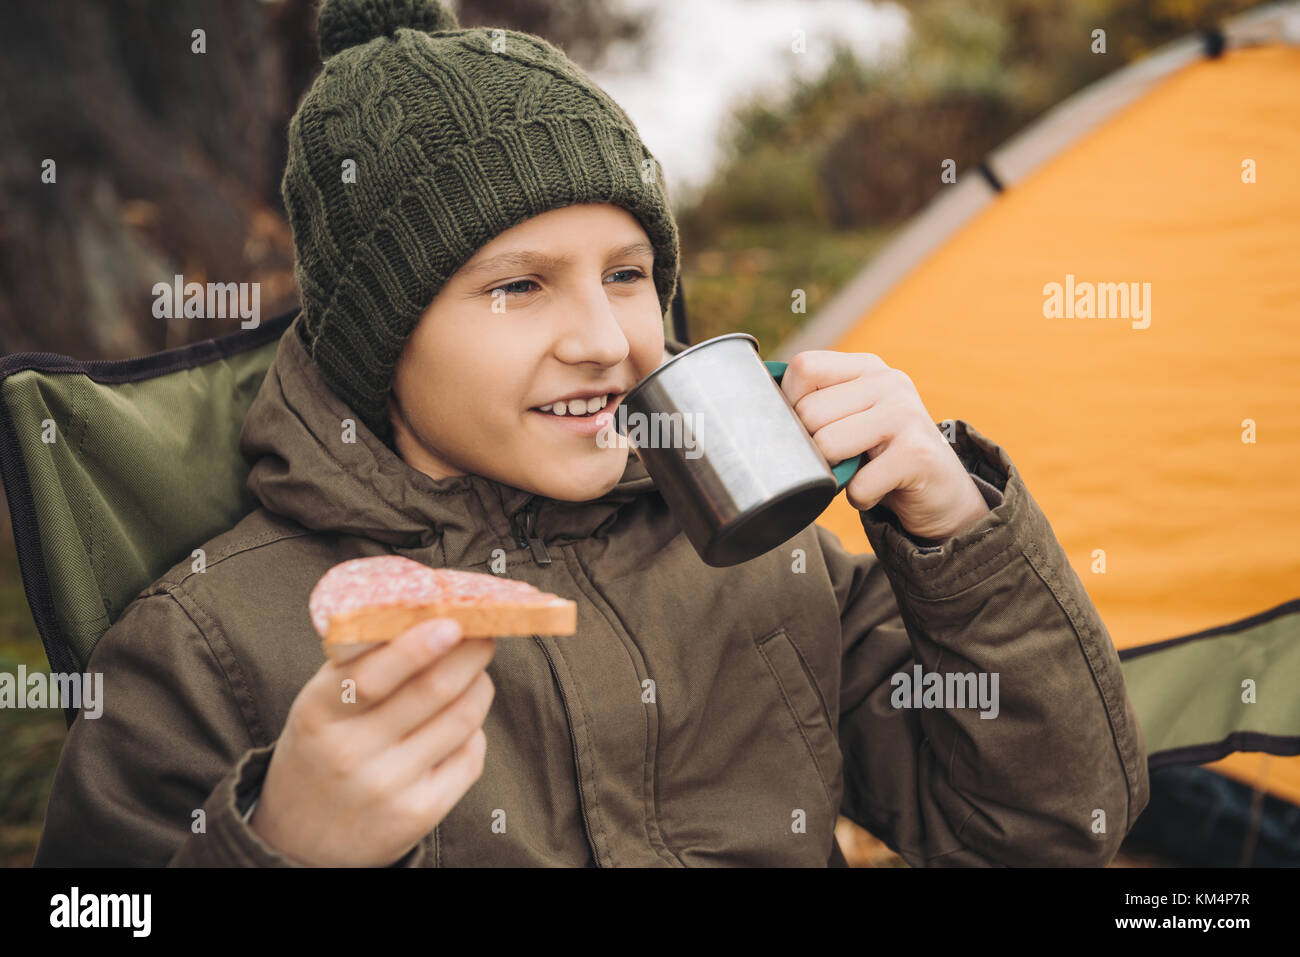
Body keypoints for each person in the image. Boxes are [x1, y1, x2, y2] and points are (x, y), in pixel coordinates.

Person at [34, 0, 1148, 868]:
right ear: (377, 343)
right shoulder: (205, 647)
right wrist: (282, 846)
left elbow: (1050, 827)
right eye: (519, 287)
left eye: (629, 276)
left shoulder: (761, 557)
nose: (608, 339)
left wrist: (961, 538)